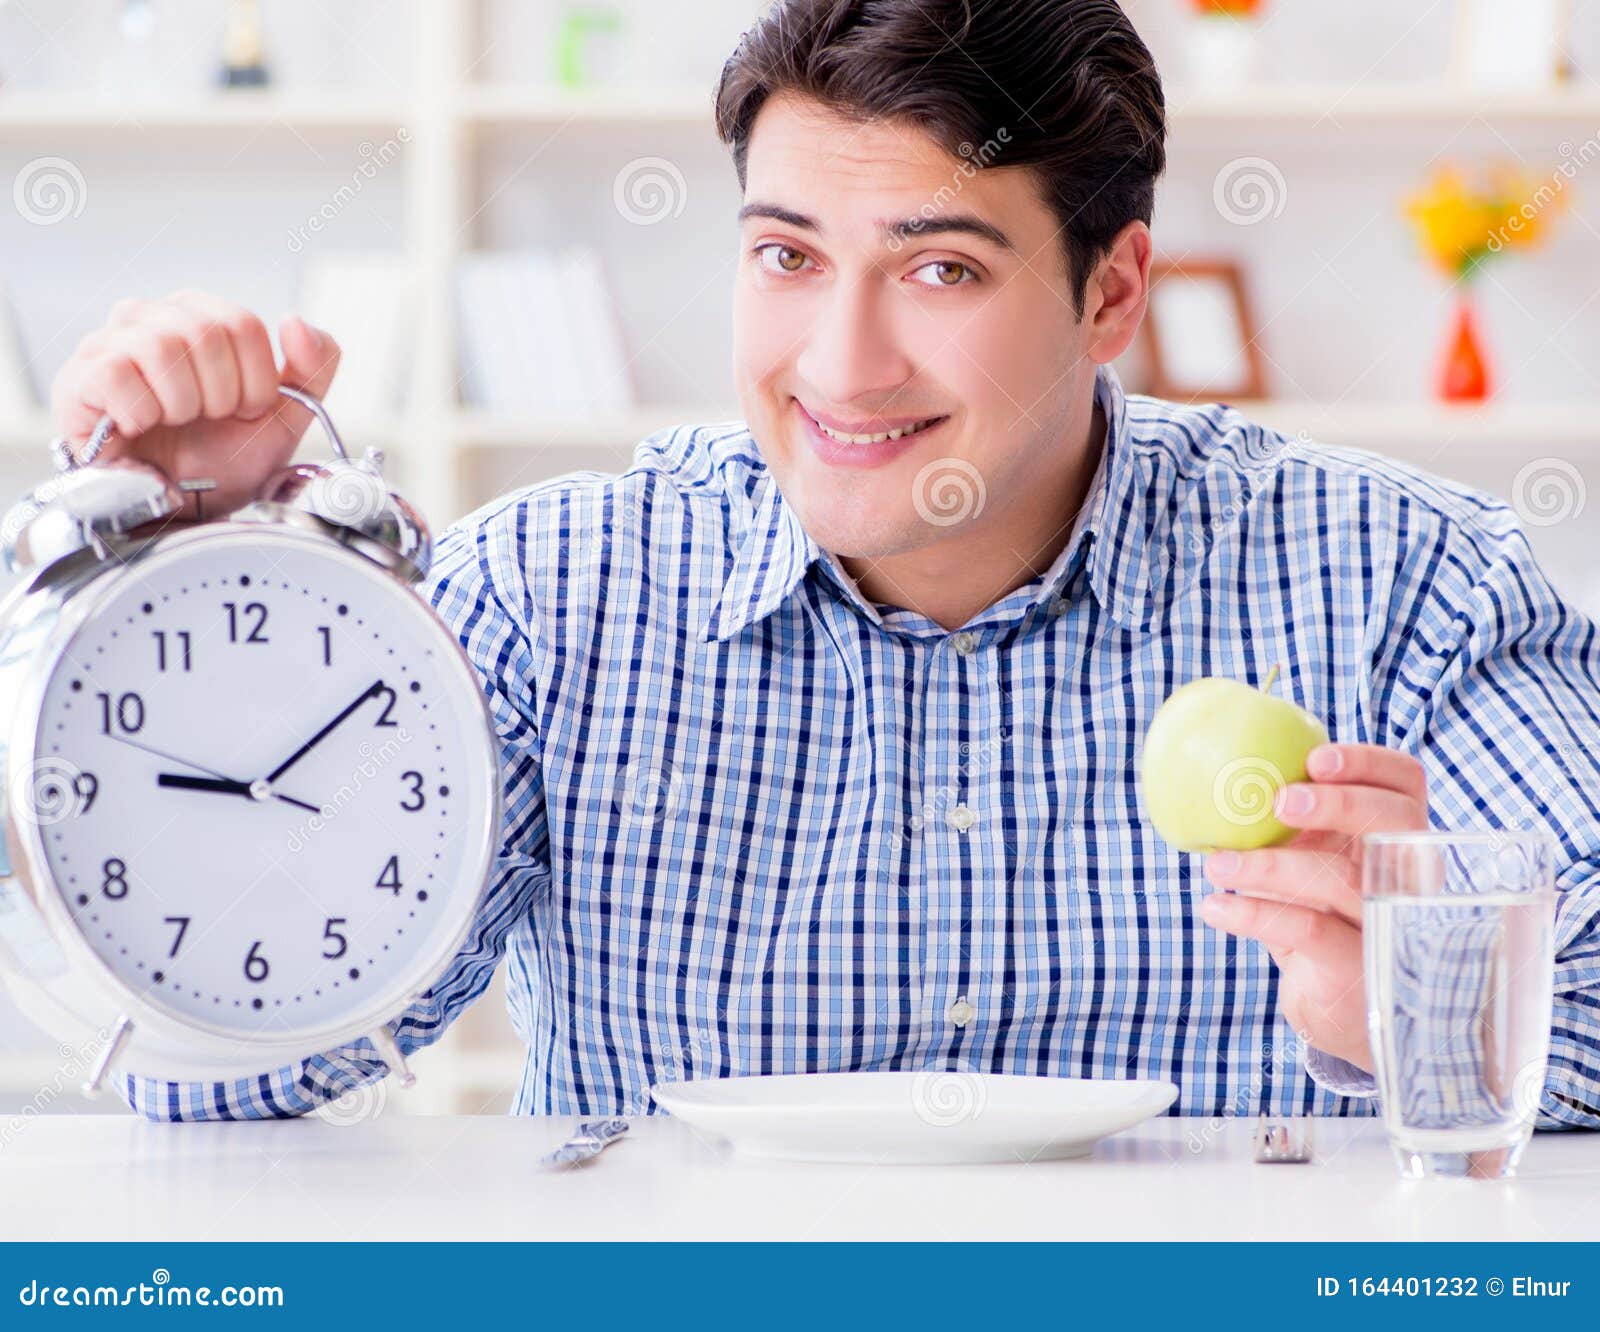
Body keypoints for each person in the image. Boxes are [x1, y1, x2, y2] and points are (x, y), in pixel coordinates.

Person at [47, 0, 1600, 1124]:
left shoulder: (1404, 585)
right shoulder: (545, 604)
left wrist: (1421, 1018)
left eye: (939, 267)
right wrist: (204, 590)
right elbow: (236, 1073)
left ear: (1114, 290)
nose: (840, 366)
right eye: (787, 258)